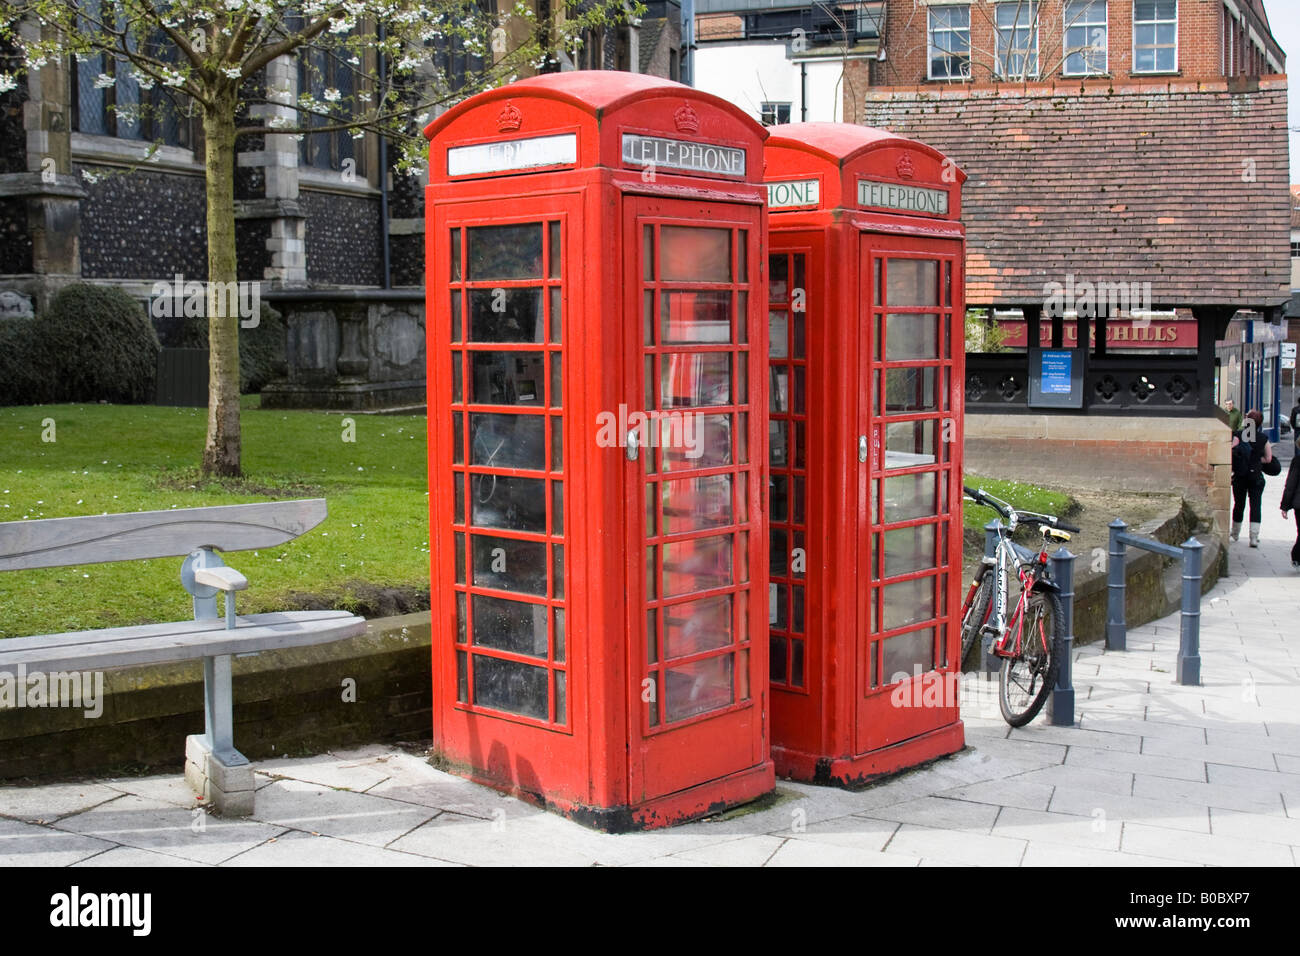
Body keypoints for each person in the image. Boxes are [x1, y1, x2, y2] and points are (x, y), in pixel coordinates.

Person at [1230, 409, 1275, 547]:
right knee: (1255, 505)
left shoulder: (1238, 435)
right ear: (1260, 423)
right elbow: (1268, 459)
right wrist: (1256, 460)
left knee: (1239, 504)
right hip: (1256, 475)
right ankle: (1253, 538)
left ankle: (1235, 533)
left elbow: (1230, 450)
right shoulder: (1263, 438)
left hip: (1240, 475)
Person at [1282, 436, 1300, 571]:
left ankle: (1296, 556)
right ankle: (1296, 556)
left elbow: (1291, 484)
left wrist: (1285, 505)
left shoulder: (1298, 461)